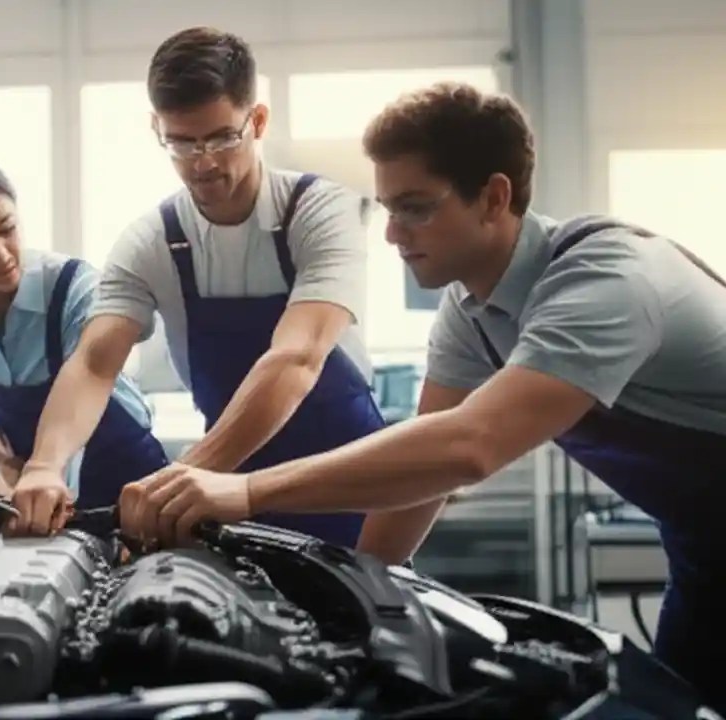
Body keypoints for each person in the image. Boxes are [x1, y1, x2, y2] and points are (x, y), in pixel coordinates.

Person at [115, 80, 726, 712]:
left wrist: (243, 491)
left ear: (493, 197)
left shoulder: (607, 280)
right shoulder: (470, 311)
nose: (392, 235)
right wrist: (349, 612)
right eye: (388, 209)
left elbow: (469, 447)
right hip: (706, 552)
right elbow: (425, 471)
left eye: (416, 207)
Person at [8, 27, 384, 543]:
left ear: (257, 121)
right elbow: (95, 363)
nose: (202, 162)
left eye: (221, 138)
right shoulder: (150, 241)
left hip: (346, 480)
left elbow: (296, 358)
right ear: (156, 129)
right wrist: (45, 465)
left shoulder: (321, 212)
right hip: (228, 490)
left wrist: (183, 478)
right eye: (181, 142)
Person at [0, 156, 168, 524]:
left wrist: (46, 479)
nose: (1, 254)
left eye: (7, 229)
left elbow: (86, 380)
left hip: (122, 464)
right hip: (41, 483)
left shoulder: (75, 286)